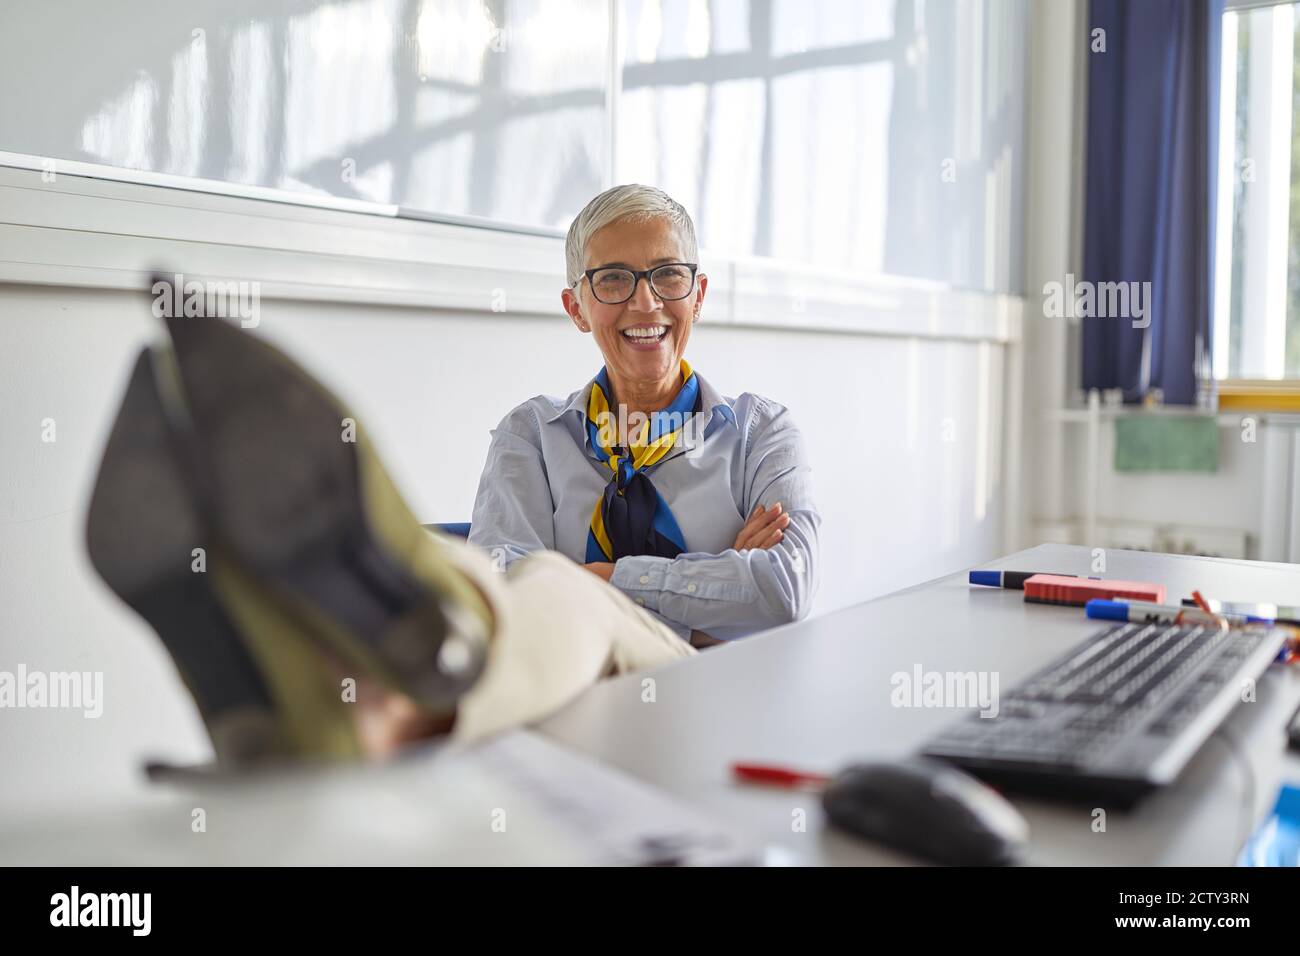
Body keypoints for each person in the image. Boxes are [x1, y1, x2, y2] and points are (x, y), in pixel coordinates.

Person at [468, 185, 820, 645]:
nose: (646, 302)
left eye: (669, 275)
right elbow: (504, 603)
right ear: (577, 309)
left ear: (697, 295)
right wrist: (711, 608)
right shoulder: (531, 435)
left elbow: (784, 589)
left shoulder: (763, 434)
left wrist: (602, 579)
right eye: (614, 278)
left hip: (726, 703)